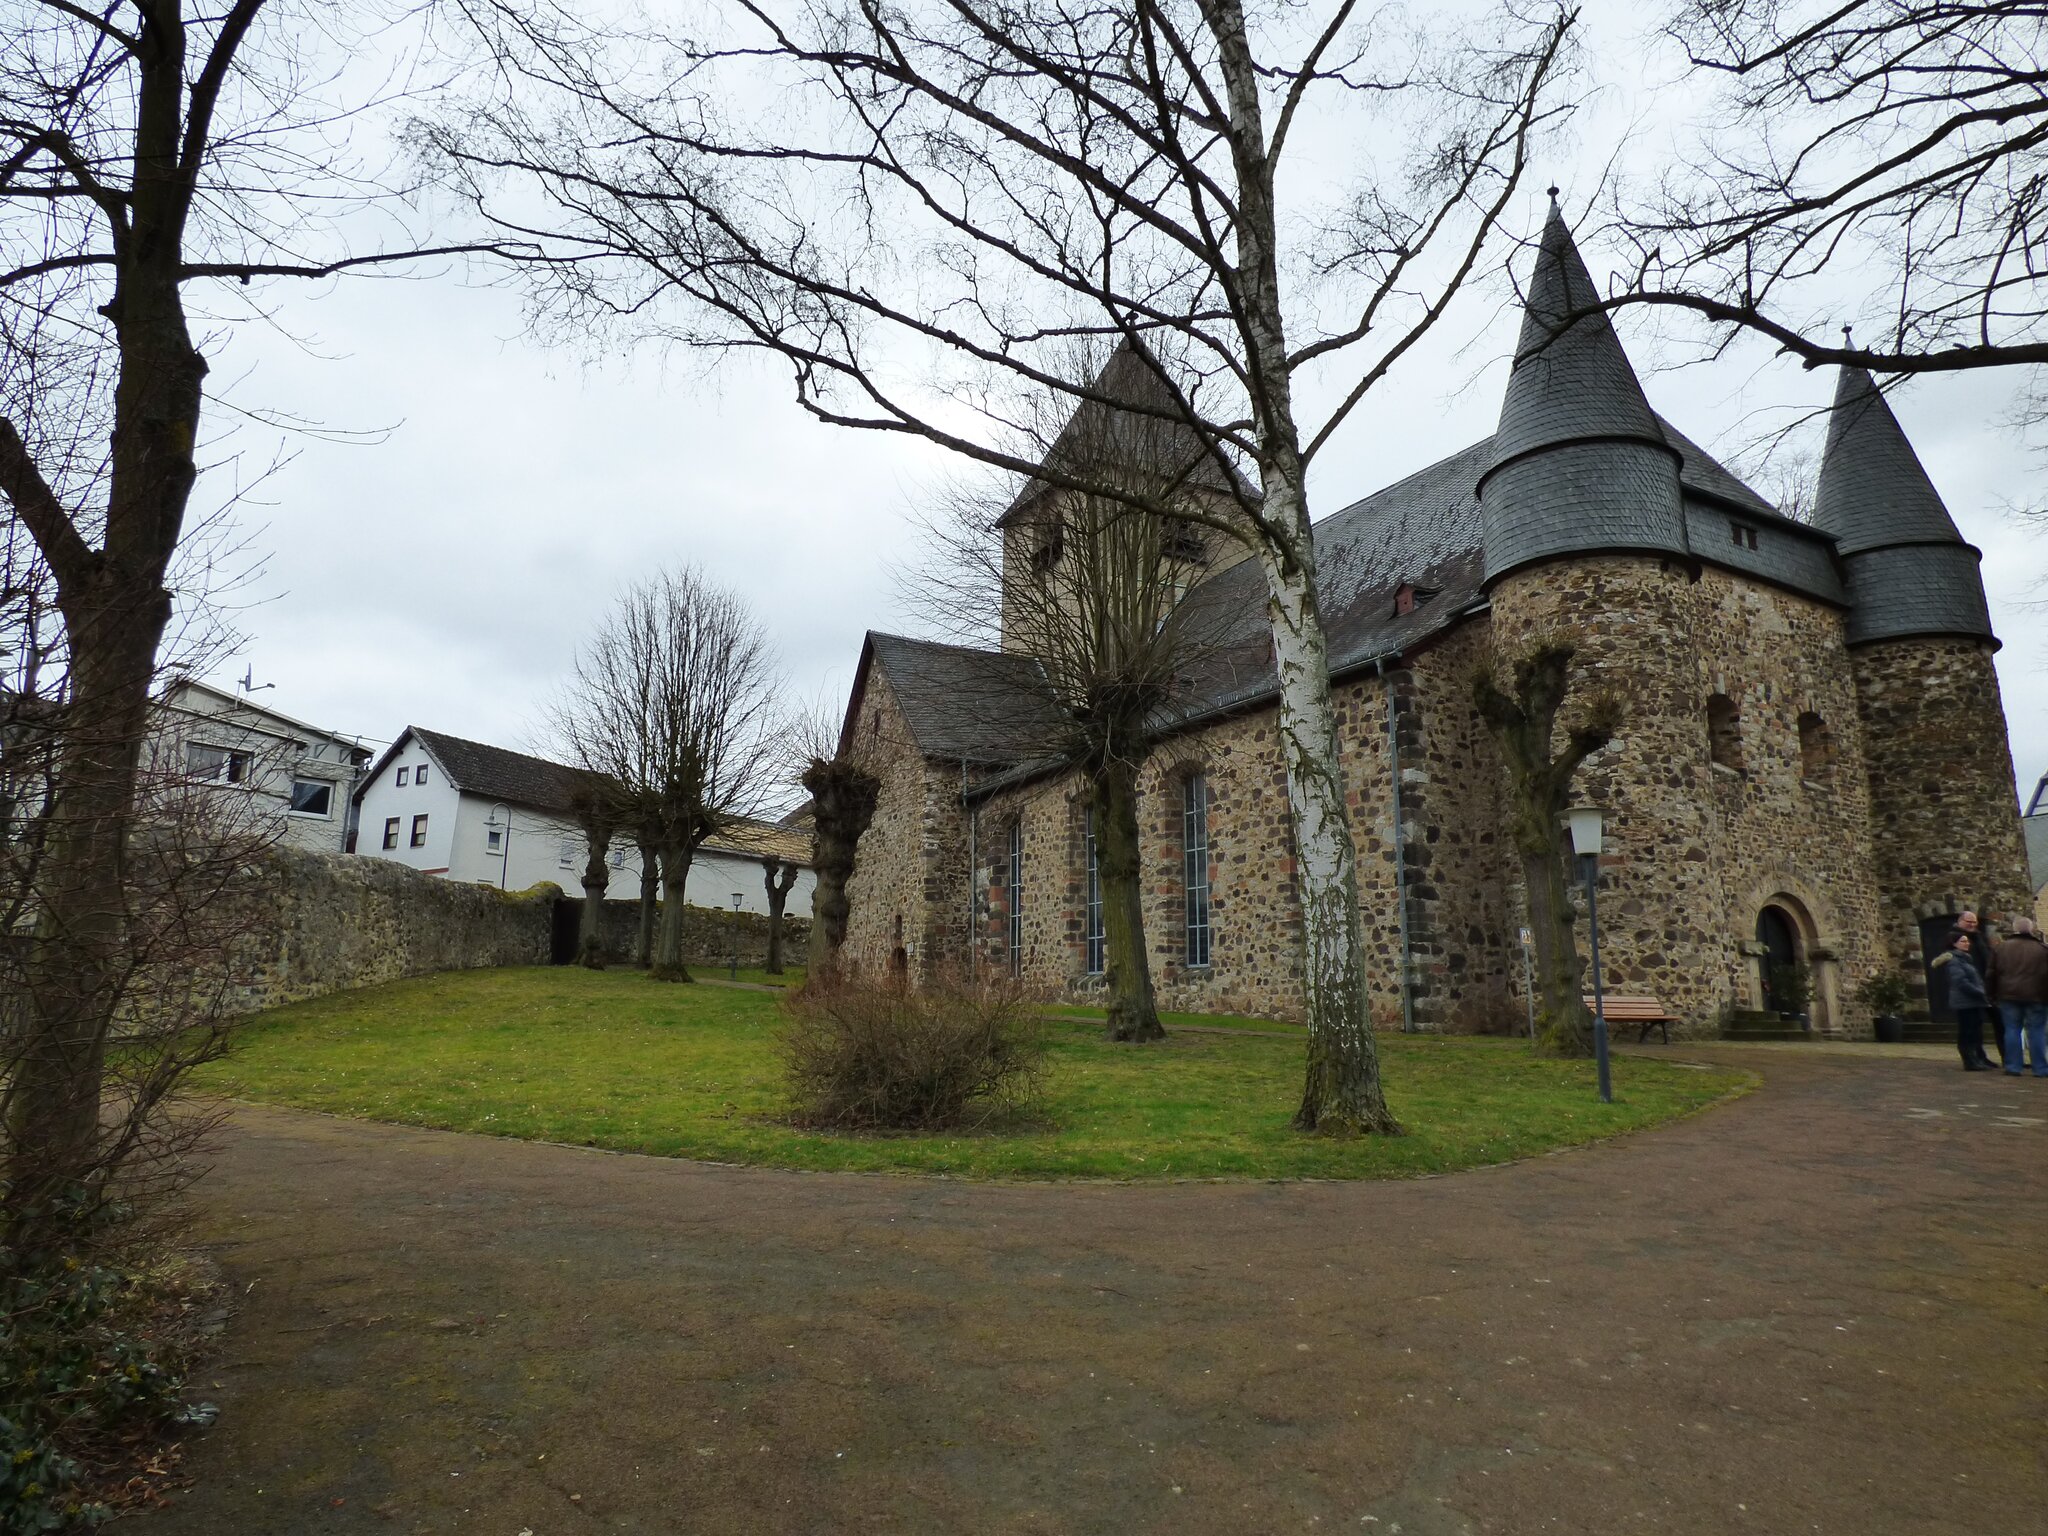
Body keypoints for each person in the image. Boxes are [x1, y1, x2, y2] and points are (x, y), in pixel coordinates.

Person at [1987, 915, 2048, 1078]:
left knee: (2012, 1030)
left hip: (2008, 995)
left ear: (2014, 929)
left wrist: (1991, 994)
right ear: (2031, 929)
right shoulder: (2042, 950)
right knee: (2036, 1031)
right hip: (2037, 996)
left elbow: (1991, 974)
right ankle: (2040, 1068)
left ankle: (2013, 1066)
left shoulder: (2001, 949)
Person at [1931, 930, 1994, 1070]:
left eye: (1967, 941)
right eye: (1963, 941)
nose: (1967, 944)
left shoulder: (1965, 958)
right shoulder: (1954, 960)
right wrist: (1980, 992)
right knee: (1967, 1032)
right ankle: (1970, 1061)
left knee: (1975, 1031)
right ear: (1954, 944)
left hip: (1973, 1001)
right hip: (1965, 1002)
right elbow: (1960, 982)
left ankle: (1977, 1058)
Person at [1950, 910, 2000, 1069]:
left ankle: (1981, 1057)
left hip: (1985, 989)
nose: (1971, 925)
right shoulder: (1953, 943)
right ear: (1959, 922)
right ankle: (1971, 1060)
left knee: (1982, 1026)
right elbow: (1958, 976)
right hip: (1969, 993)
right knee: (1969, 1028)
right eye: (1968, 922)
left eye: (1974, 922)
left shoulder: (1979, 938)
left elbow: (1988, 960)